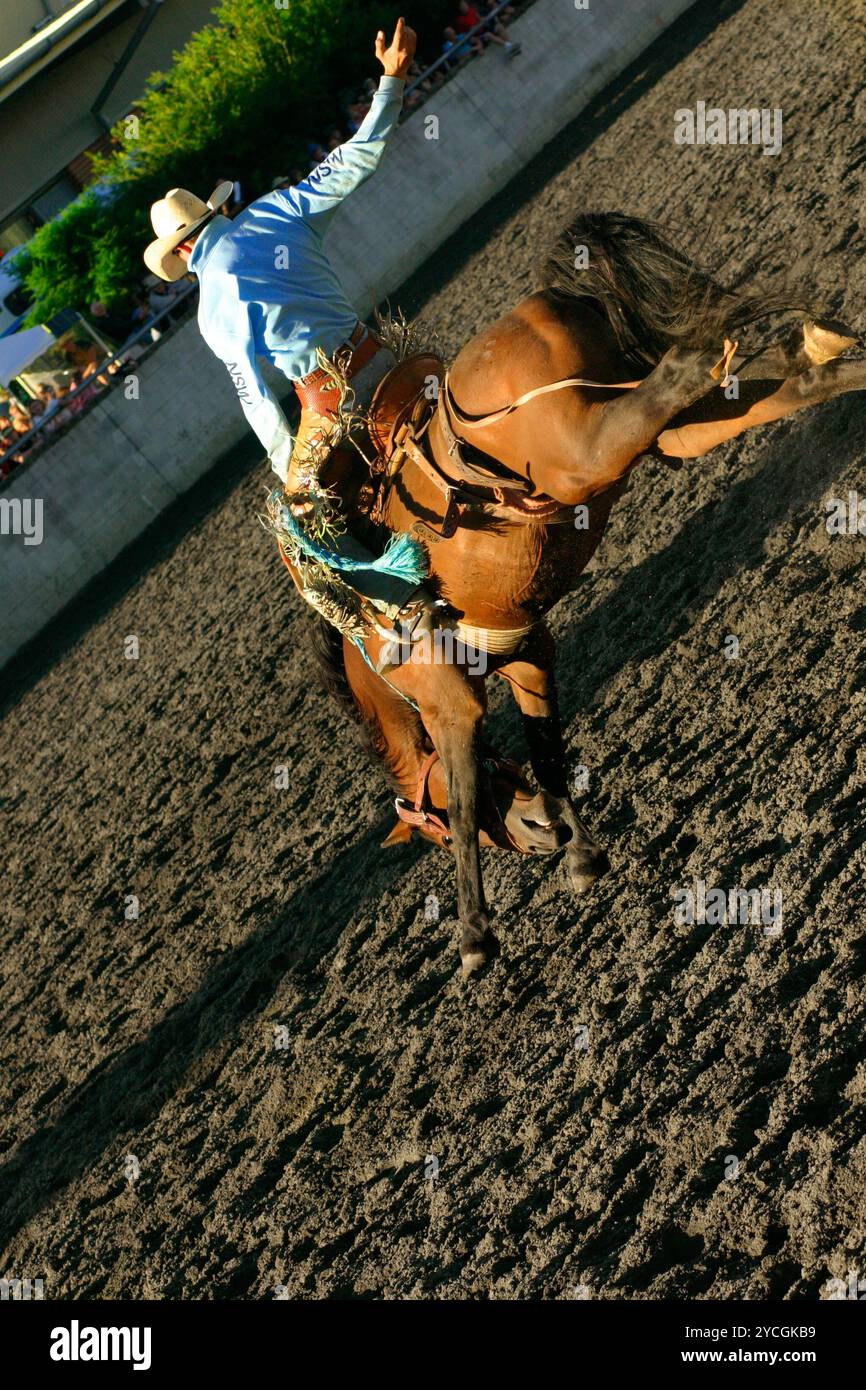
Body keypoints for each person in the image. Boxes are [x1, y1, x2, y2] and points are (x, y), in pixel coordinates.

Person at [142, 17, 437, 631]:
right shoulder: (277, 209)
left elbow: (259, 404)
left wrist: (288, 470)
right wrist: (390, 80)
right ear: (214, 212)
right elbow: (356, 158)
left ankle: (404, 607)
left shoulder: (213, 305)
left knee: (300, 530)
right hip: (385, 357)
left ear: (180, 256)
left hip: (336, 406)